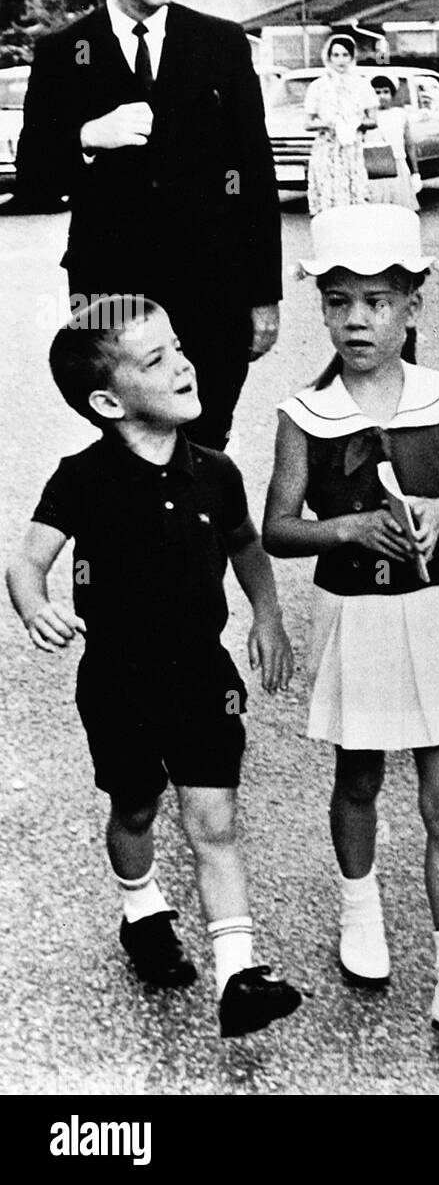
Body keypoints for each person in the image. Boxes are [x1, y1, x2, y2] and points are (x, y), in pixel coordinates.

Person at [5, 297, 302, 1038]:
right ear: (108, 400)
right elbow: (28, 561)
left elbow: (245, 546)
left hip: (203, 673)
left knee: (214, 821)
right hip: (117, 682)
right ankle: (141, 907)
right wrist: (35, 604)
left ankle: (240, 974)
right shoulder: (82, 478)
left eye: (178, 346)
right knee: (135, 808)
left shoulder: (218, 472)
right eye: (156, 359)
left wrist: (267, 616)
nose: (183, 363)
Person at [262, 204, 439, 1046]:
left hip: (438, 611)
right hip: (356, 617)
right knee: (360, 779)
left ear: (413, 307)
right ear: (322, 310)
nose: (358, 319)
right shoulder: (305, 414)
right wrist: (344, 529)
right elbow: (276, 527)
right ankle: (359, 912)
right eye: (339, 302)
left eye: (377, 300)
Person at [15, 0, 281, 451]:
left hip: (213, 294)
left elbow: (254, 175)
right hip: (110, 294)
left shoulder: (222, 44)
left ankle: (205, 538)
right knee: (129, 451)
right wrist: (87, 136)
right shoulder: (66, 52)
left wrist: (264, 295)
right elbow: (33, 177)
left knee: (206, 444)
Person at [304, 35, 379, 216]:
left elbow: (373, 120)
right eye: (336, 55)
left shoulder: (362, 85)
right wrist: (328, 124)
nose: (341, 60)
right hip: (326, 149)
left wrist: (355, 123)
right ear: (328, 57)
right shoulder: (318, 86)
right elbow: (307, 123)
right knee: (328, 197)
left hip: (351, 150)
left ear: (352, 57)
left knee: (354, 200)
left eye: (345, 55)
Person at [365, 75, 421, 211]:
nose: (382, 96)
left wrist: (415, 172)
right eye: (377, 93)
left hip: (397, 165)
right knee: (377, 207)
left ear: (392, 94)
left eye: (385, 92)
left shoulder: (400, 114)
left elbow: (409, 144)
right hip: (374, 166)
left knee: (400, 206)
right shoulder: (366, 118)